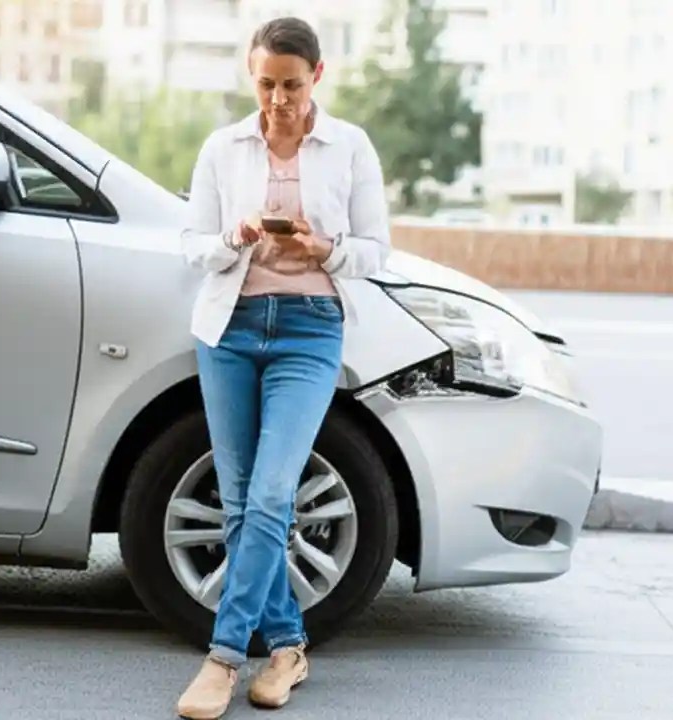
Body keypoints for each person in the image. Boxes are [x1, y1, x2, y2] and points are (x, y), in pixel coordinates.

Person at [174, 15, 391, 720]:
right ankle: (290, 646)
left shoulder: (350, 148)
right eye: (266, 84)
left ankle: (223, 658)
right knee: (240, 505)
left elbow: (375, 251)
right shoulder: (223, 148)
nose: (278, 100)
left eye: (291, 85)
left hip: (309, 331)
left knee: (271, 496)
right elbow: (191, 242)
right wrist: (233, 238)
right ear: (250, 74)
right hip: (230, 331)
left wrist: (324, 248)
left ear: (318, 77)